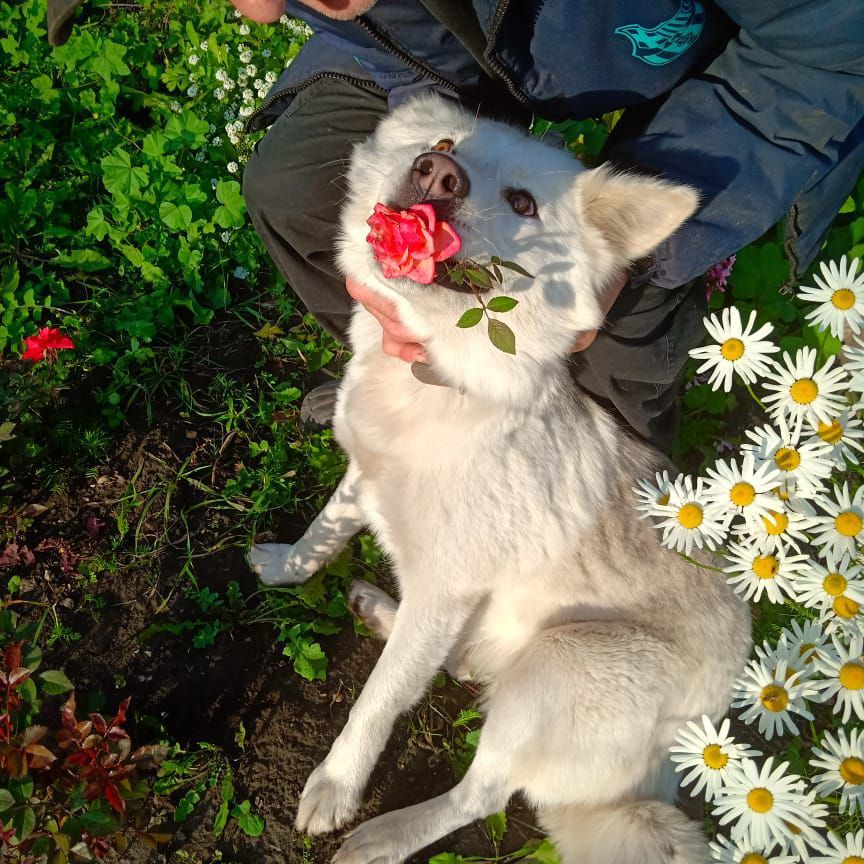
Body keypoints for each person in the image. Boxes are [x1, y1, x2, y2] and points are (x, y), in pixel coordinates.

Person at [47, 0, 864, 450]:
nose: (256, 12)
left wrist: (619, 250)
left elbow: (823, 49)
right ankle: (425, 385)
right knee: (300, 185)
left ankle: (614, 474)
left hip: (729, 73)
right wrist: (421, 180)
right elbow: (405, 65)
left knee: (614, 301)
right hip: (473, 63)